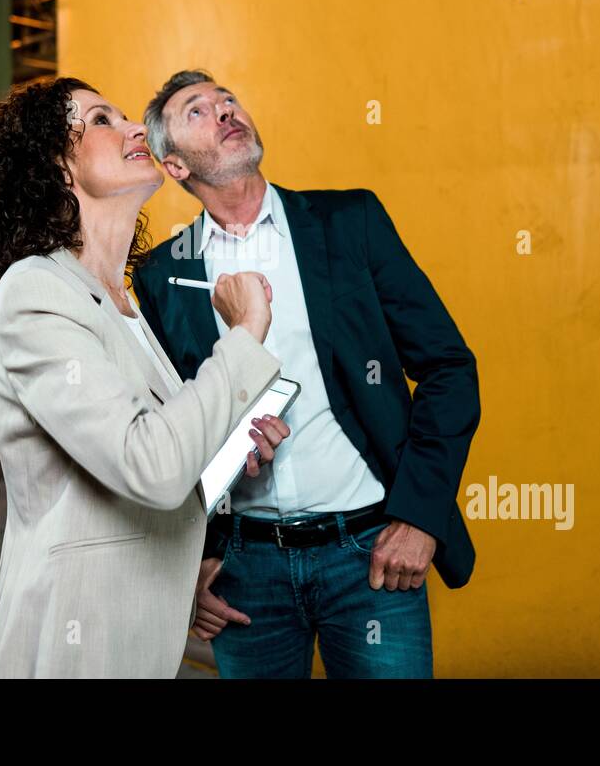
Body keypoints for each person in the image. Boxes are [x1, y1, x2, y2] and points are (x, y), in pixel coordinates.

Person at [131, 70, 480, 679]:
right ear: (176, 166)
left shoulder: (349, 222)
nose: (224, 110)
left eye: (228, 99)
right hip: (243, 572)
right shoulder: (162, 275)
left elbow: (449, 368)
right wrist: (193, 559)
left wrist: (421, 517)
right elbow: (166, 431)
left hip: (370, 554)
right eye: (197, 111)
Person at [0, 76, 291, 678]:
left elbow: (154, 450)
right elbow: (151, 466)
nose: (136, 127)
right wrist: (243, 336)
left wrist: (229, 446)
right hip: (76, 648)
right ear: (56, 168)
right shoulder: (36, 291)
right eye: (100, 120)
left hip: (140, 639)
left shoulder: (122, 303)